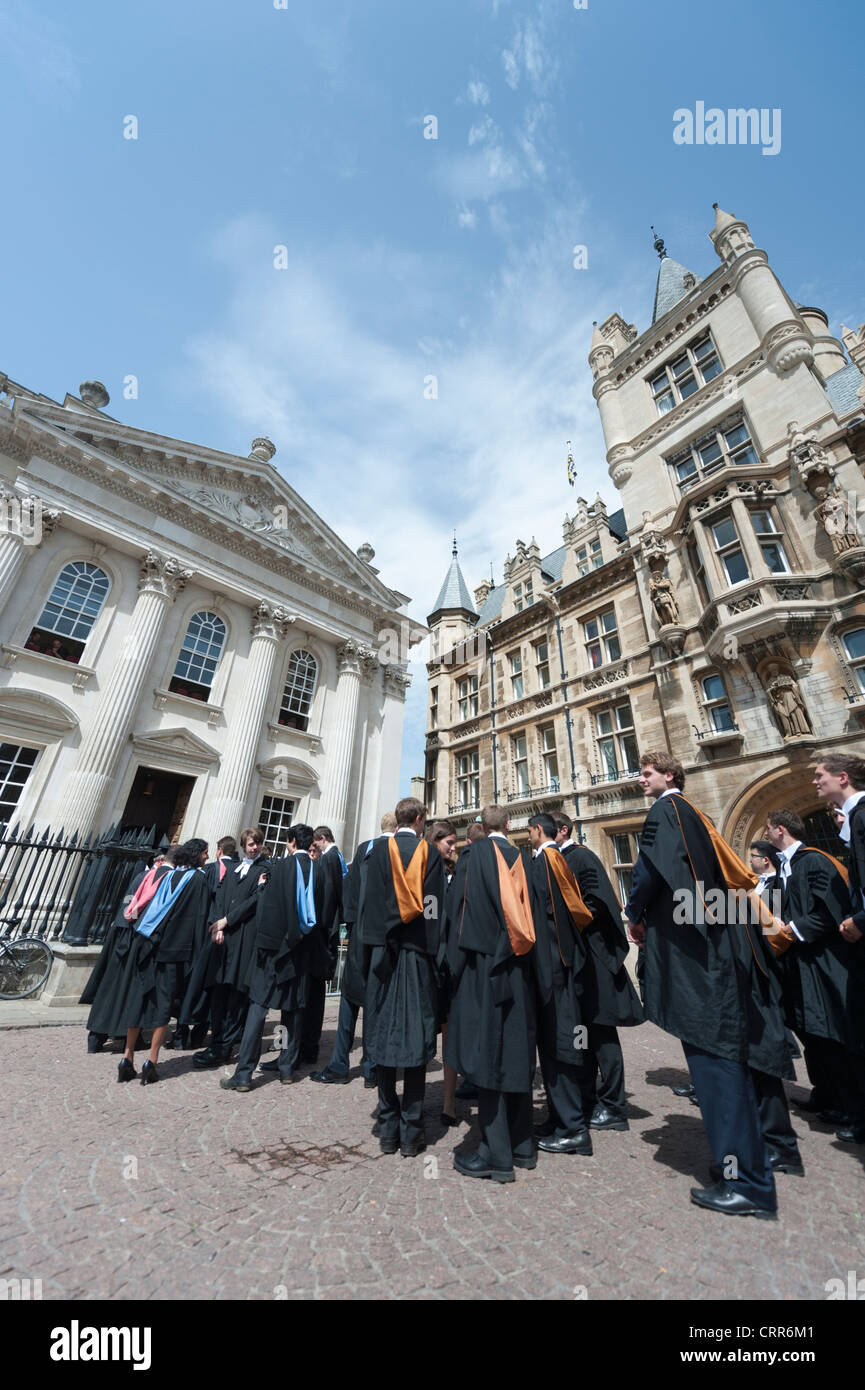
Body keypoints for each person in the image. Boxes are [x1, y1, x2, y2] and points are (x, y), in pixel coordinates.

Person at [624, 751, 781, 1219]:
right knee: (722, 1060)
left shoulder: (665, 811)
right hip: (715, 945)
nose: (640, 780)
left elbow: (650, 871)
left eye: (647, 773)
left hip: (696, 957)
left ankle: (747, 1184)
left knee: (715, 1062)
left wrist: (634, 913)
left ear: (669, 775)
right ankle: (741, 1167)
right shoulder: (695, 814)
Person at [765, 806, 865, 1145]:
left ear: (780, 830)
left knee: (833, 1034)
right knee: (810, 1031)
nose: (766, 834)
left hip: (824, 962)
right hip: (798, 962)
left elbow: (832, 911)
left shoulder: (815, 862)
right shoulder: (783, 867)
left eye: (768, 828)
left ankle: (849, 1107)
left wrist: (792, 929)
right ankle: (824, 1093)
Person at [446, 805, 537, 1182]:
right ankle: (523, 1146)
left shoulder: (473, 856)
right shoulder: (524, 859)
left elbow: (457, 915)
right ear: (510, 826)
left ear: (481, 827)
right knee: (516, 1053)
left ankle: (495, 1155)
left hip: (483, 970)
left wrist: (453, 969)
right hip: (520, 971)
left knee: (487, 1056)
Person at [360, 797, 445, 1157]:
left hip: (383, 956)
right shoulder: (430, 854)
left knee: (382, 1035)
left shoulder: (378, 851)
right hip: (417, 956)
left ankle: (387, 1128)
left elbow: (368, 905)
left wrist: (371, 950)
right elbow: (434, 908)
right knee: (415, 1037)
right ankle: (411, 1131)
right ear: (421, 819)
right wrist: (432, 950)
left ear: (398, 820)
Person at [555, 815, 644, 1131]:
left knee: (603, 1035)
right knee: (583, 1032)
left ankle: (614, 1107)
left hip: (596, 960)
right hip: (579, 963)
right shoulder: (560, 859)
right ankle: (587, 1096)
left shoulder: (582, 858)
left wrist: (566, 922)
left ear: (562, 830)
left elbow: (598, 902)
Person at [220, 823, 320, 1091]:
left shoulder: (280, 868)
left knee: (258, 1008)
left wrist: (263, 890)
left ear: (292, 842)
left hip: (273, 950)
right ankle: (286, 1067)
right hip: (301, 952)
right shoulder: (318, 870)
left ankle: (244, 1073)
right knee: (292, 1011)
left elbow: (266, 911)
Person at [311, 813, 397, 1087]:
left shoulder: (364, 849)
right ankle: (371, 1068)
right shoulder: (398, 850)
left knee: (349, 999)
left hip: (359, 934)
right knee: (375, 1002)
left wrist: (350, 927)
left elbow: (350, 891)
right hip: (384, 938)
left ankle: (339, 1064)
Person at [115, 840, 211, 1084]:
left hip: (147, 944)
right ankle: (152, 1060)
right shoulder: (198, 880)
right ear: (196, 855)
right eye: (204, 853)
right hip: (173, 951)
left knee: (139, 1000)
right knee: (164, 1004)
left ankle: (127, 1058)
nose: (207, 857)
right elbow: (200, 917)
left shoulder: (168, 876)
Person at [529, 813, 595, 1155]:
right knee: (554, 1047)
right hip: (559, 965)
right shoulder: (556, 859)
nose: (528, 837)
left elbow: (543, 916)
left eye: (530, 831)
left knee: (561, 1046)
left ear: (539, 830)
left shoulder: (547, 861)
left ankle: (573, 1128)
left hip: (554, 968)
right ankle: (559, 1118)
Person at [189, 828, 270, 1069]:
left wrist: (227, 920)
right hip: (223, 940)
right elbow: (219, 896)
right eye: (250, 844)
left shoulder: (265, 870)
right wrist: (217, 925)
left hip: (243, 940)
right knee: (218, 994)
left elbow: (253, 901)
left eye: (257, 843)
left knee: (236, 995)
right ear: (243, 846)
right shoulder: (234, 868)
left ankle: (223, 1048)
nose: (254, 847)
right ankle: (216, 1042)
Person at [81, 848, 173, 1052]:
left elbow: (127, 902)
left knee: (110, 988)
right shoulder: (164, 879)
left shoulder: (142, 875)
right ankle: (128, 1035)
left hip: (121, 934)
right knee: (132, 990)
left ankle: (96, 1037)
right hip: (136, 939)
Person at [427, 820, 459, 1125]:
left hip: (449, 964)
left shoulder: (455, 873)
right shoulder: (423, 871)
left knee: (450, 1032)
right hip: (427, 962)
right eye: (449, 842)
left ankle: (449, 1101)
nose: (453, 847)